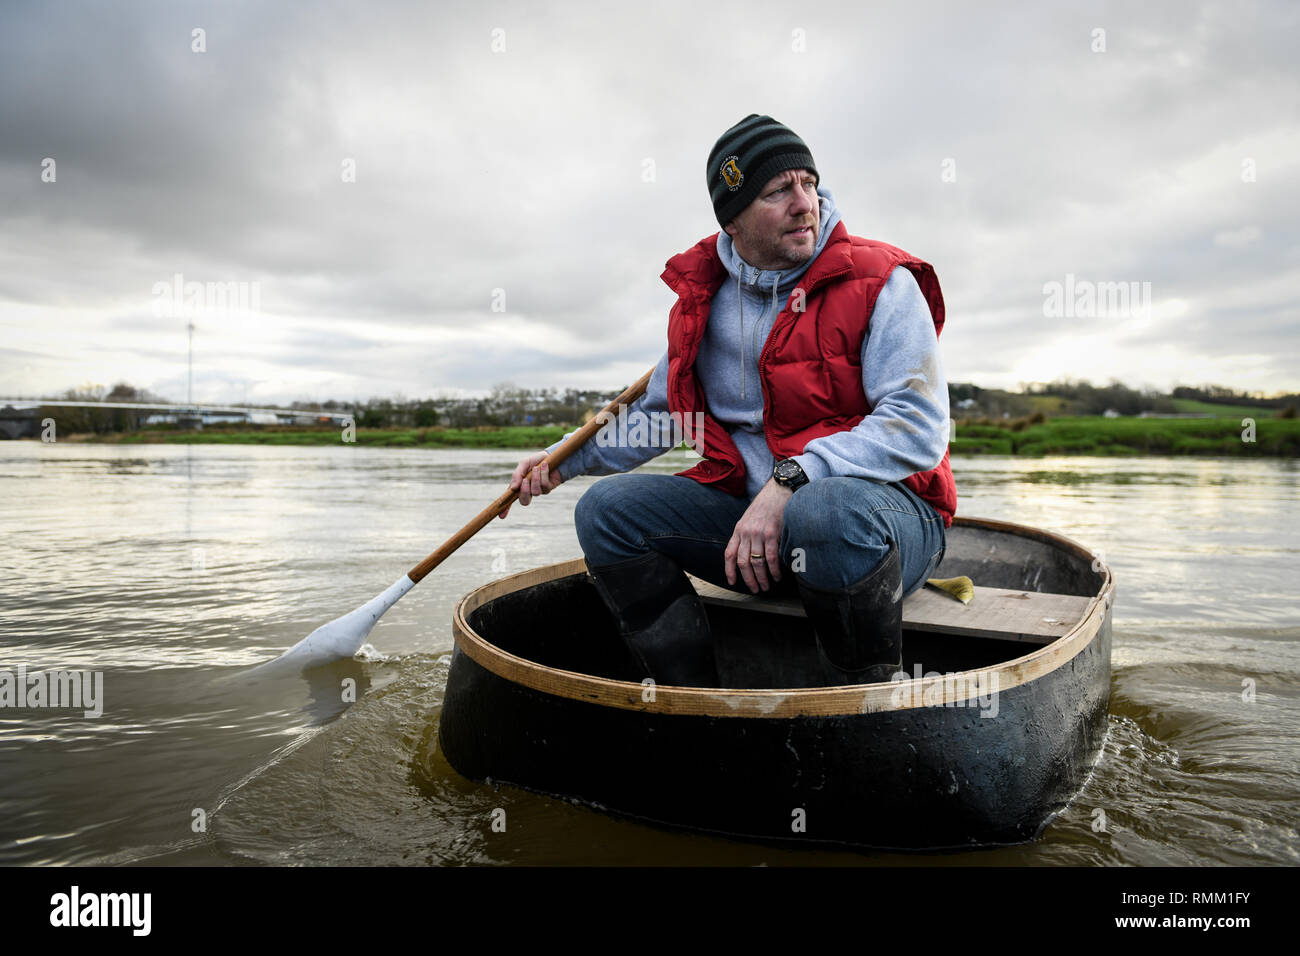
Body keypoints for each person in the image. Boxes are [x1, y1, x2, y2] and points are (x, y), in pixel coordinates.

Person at [502, 114, 956, 690]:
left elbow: (916, 427)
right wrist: (559, 463)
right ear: (733, 220)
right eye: (778, 191)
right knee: (606, 511)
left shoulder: (883, 282)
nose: (804, 203)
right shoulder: (702, 303)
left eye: (808, 183)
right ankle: (691, 700)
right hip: (756, 538)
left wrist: (789, 482)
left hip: (882, 527)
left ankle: (855, 709)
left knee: (827, 510)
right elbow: (664, 416)